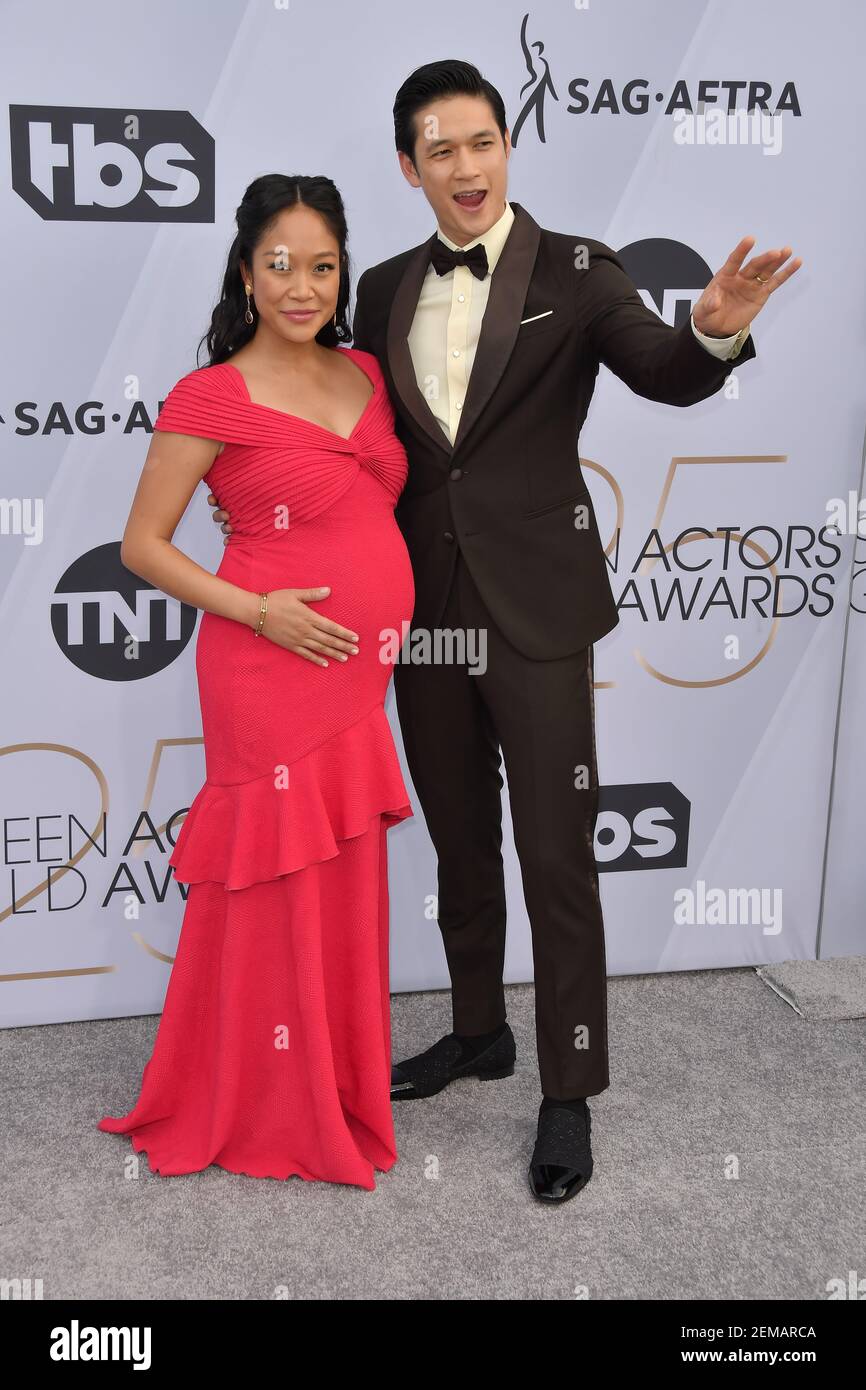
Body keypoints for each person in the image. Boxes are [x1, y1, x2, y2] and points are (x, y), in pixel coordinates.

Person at [209, 61, 801, 1204]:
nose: (465, 167)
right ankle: (477, 1030)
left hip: (534, 614)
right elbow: (317, 403)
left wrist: (712, 334)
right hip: (419, 614)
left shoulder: (578, 269)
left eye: (481, 142)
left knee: (554, 849)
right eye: (441, 150)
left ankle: (567, 1087)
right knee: (457, 840)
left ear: (506, 146)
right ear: (409, 167)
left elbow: (658, 368)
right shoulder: (374, 288)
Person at [98, 174, 415, 1190]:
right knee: (270, 878)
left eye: (321, 265)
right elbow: (142, 546)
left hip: (353, 685)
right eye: (279, 263)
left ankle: (327, 1085)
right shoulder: (212, 394)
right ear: (245, 270)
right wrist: (259, 611)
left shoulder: (365, 371)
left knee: (338, 877)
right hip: (265, 667)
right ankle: (257, 1098)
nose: (301, 284)